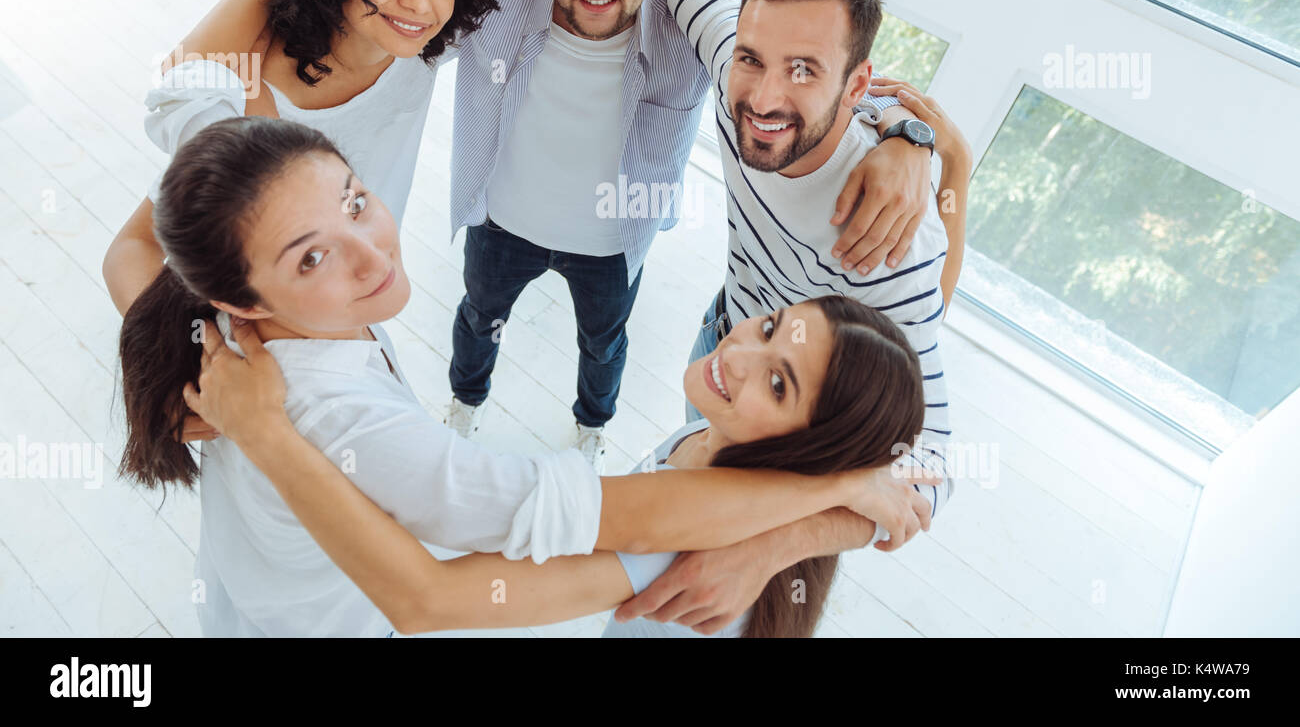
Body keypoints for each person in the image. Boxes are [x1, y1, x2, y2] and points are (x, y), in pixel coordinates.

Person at [222, 0, 934, 472]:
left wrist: (907, 133)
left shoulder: (689, 20)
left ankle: (592, 425)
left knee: (604, 348)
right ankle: (463, 407)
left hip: (613, 245)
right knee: (477, 321)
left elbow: (778, 67)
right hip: (500, 222)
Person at [117, 116, 938, 637]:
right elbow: (439, 593)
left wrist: (825, 508)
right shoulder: (327, 410)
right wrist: (840, 489)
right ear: (231, 292)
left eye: (357, 201)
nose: (374, 252)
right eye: (314, 254)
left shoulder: (239, 327)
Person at [184, 279, 933, 636]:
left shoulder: (688, 552)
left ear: (811, 447)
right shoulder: (706, 444)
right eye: (770, 325)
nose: (736, 351)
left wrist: (268, 433)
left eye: (777, 381)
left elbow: (427, 602)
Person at [610, 0, 975, 633]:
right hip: (727, 337)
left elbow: (932, 468)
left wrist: (771, 544)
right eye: (754, 59)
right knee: (662, 512)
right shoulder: (730, 63)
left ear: (857, 83)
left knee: (701, 603)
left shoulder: (892, 231)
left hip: (798, 429)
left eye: (804, 70)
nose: (765, 97)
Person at [102, 0, 501, 340]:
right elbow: (133, 245)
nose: (420, 2)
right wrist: (205, 361)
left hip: (358, 294)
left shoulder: (421, 43)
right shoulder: (250, 91)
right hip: (279, 328)